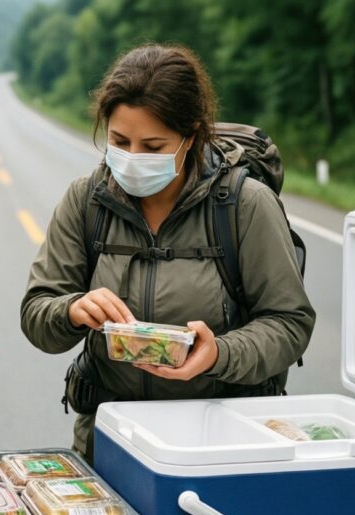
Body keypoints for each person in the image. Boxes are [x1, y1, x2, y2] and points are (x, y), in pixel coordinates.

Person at [20, 44, 315, 462]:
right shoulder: (86, 201)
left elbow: (290, 323)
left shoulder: (244, 205)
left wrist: (220, 354)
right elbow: (37, 312)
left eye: (154, 146)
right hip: (111, 436)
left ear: (190, 137)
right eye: (119, 141)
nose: (132, 158)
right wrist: (72, 310)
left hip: (222, 440)